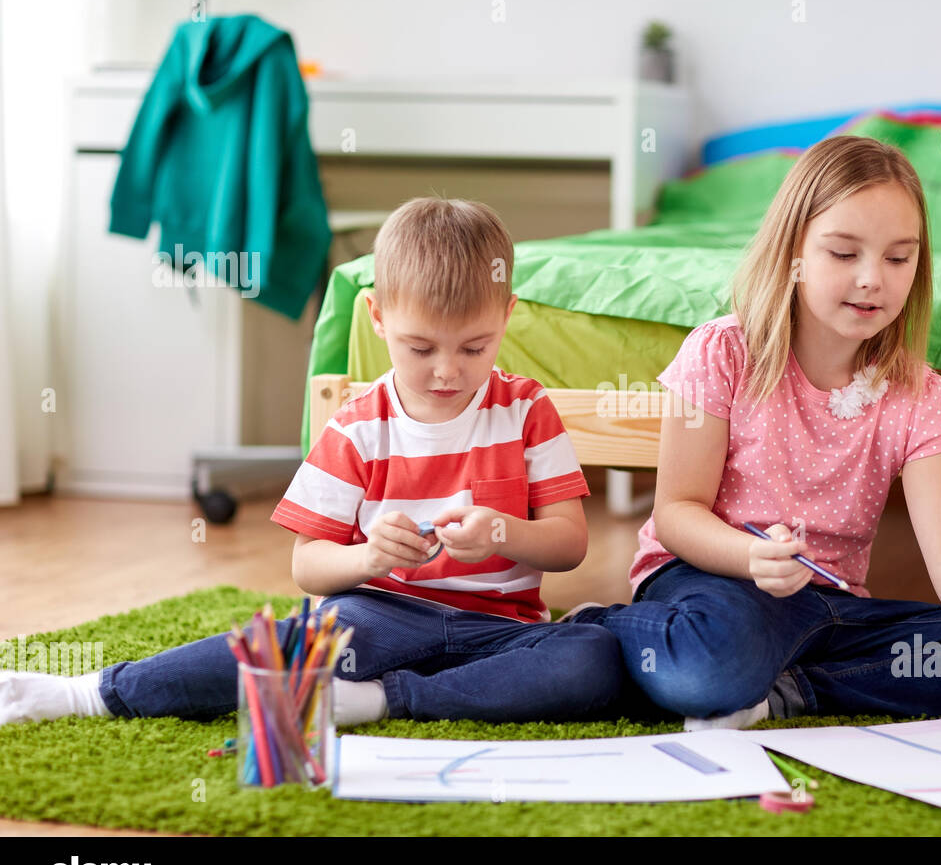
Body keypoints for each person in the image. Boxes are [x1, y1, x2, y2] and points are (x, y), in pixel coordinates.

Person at [565, 135, 941, 751]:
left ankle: (787, 691)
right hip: (711, 583)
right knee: (711, 663)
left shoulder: (920, 394)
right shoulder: (721, 352)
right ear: (794, 252)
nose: (871, 280)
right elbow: (676, 514)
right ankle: (607, 629)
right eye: (844, 253)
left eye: (899, 259)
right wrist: (750, 559)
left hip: (830, 612)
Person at [0, 197, 621, 727]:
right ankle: (93, 693)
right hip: (381, 617)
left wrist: (504, 532)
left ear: (507, 316)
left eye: (475, 347)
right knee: (290, 642)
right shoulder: (356, 426)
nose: (447, 370)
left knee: (590, 657)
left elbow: (568, 546)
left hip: (501, 633)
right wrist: (369, 558)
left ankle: (381, 701)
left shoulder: (526, 409)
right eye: (420, 346)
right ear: (377, 318)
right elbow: (308, 567)